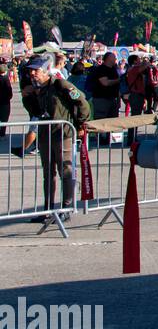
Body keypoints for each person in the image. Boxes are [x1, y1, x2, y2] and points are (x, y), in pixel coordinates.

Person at [19, 53, 91, 217]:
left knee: (65, 171)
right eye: (30, 71)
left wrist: (80, 125)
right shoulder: (38, 89)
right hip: (46, 135)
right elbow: (36, 112)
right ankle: (48, 209)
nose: (32, 74)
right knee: (48, 173)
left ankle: (66, 208)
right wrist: (27, 97)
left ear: (45, 71)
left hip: (63, 133)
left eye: (35, 70)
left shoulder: (59, 84)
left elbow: (82, 102)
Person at [88, 51, 121, 134]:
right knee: (101, 119)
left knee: (112, 120)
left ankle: (109, 138)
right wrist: (117, 80)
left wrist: (119, 98)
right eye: (114, 57)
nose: (115, 60)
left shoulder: (114, 69)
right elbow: (105, 82)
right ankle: (100, 138)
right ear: (108, 59)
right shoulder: (101, 69)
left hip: (113, 98)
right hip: (101, 98)